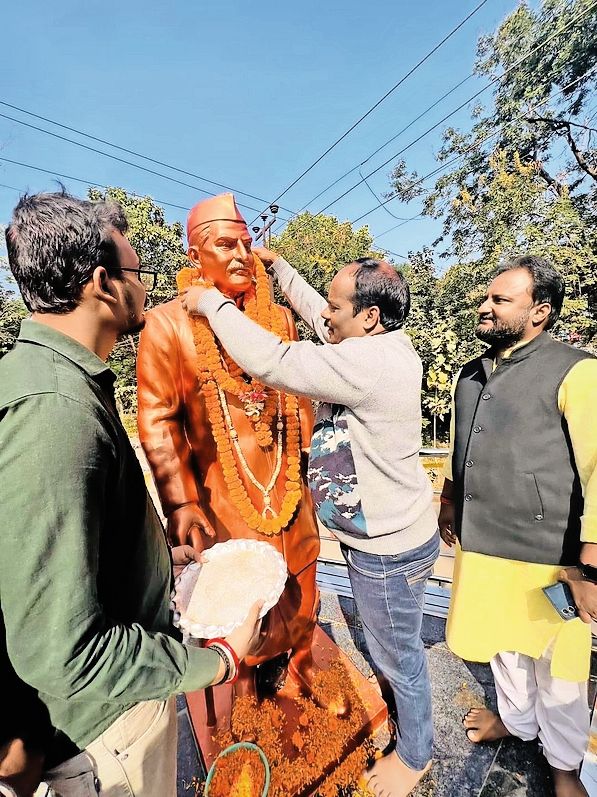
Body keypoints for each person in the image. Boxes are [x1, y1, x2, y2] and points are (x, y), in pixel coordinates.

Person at [0, 190, 261, 797]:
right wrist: (216, 660)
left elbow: (47, 553)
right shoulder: (53, 412)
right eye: (139, 272)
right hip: (103, 730)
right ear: (103, 283)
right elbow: (62, 650)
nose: (148, 288)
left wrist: (151, 561)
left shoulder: (59, 382)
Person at [180, 245, 440, 797]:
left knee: (400, 655)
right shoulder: (377, 345)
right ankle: (405, 727)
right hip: (386, 538)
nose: (325, 313)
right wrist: (282, 272)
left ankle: (414, 755)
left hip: (387, 552)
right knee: (390, 642)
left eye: (338, 306)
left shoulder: (370, 364)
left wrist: (211, 306)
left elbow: (274, 359)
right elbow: (324, 320)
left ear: (368, 317)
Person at [136, 194, 325, 702]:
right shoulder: (168, 324)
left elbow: (296, 394)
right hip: (223, 495)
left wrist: (307, 456)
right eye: (225, 244)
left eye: (246, 242)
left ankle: (303, 667)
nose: (242, 253)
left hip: (287, 483)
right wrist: (181, 502)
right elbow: (157, 421)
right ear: (196, 255)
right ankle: (244, 689)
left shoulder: (280, 320)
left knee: (304, 587)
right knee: (241, 602)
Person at [438, 256, 597, 797]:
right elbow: (462, 443)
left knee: (561, 667)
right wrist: (448, 498)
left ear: (540, 311)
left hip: (550, 555)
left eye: (499, 300)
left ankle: (564, 764)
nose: (484, 306)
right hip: (484, 546)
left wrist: (591, 562)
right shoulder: (471, 371)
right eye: (486, 297)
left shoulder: (576, 370)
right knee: (504, 647)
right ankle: (517, 722)